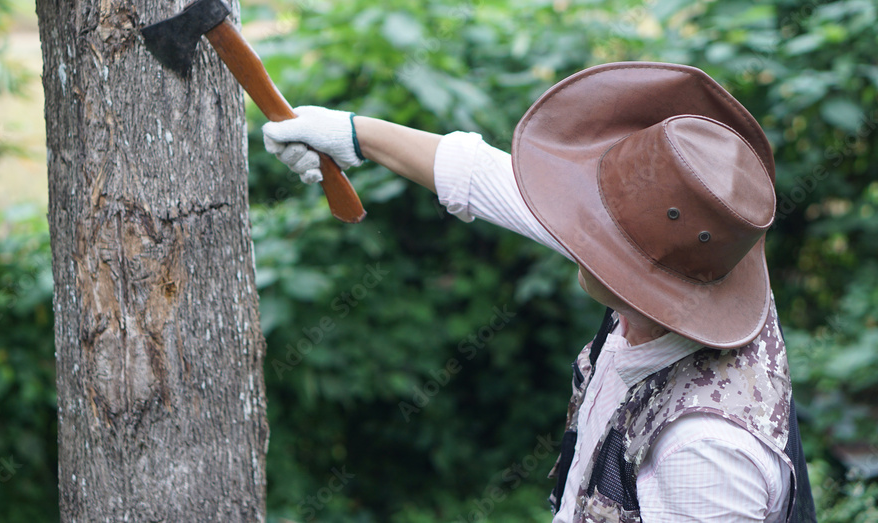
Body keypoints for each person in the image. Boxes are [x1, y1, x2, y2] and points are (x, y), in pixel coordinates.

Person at [262, 61, 816, 522]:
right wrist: (353, 134)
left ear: (645, 273)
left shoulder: (701, 453)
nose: (574, 227)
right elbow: (485, 178)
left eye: (596, 227)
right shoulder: (697, 271)